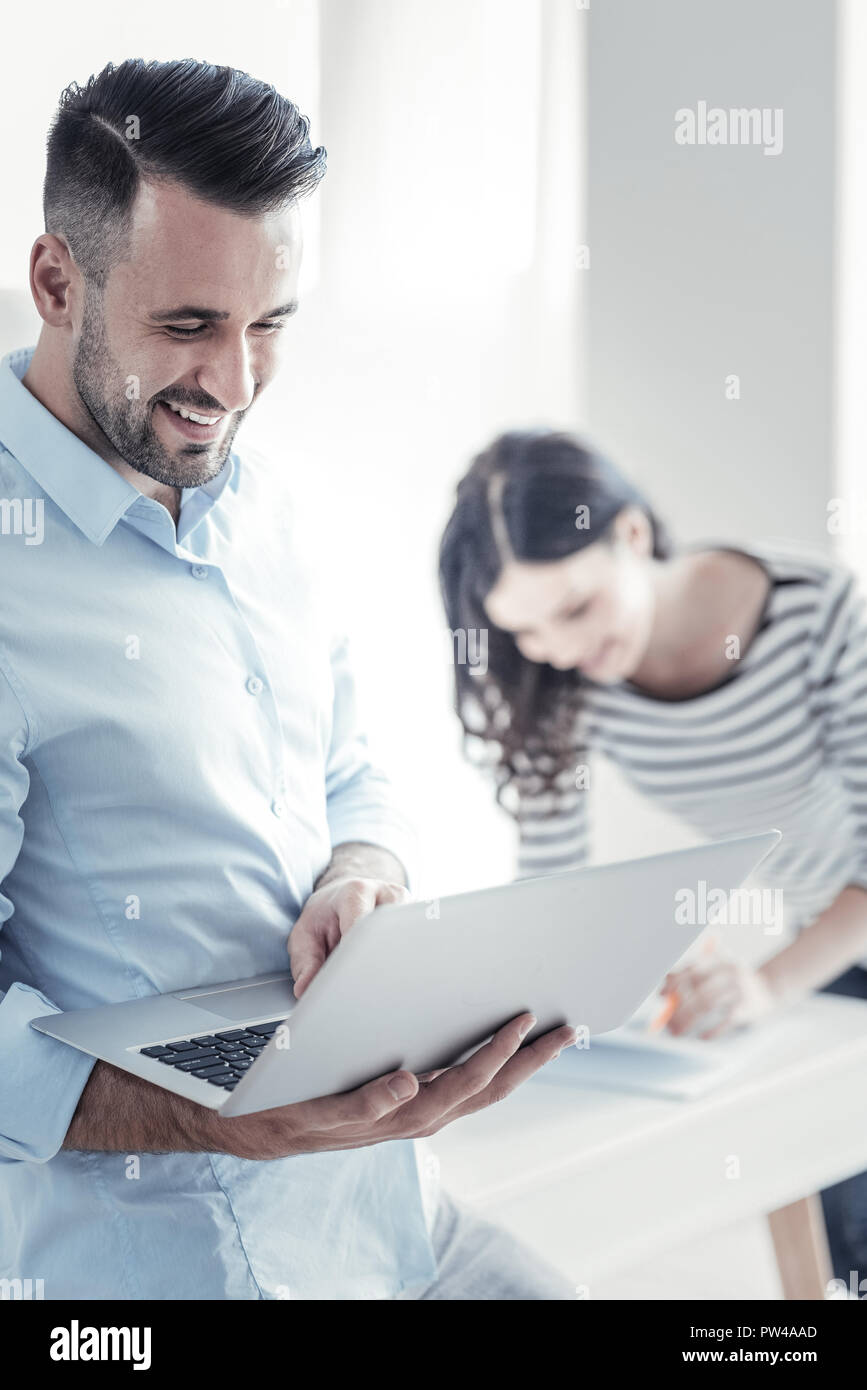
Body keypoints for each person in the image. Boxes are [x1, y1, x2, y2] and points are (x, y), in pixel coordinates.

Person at [0, 60, 578, 1302]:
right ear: (58, 280)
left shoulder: (262, 510)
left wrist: (360, 874)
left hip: (398, 1226)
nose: (238, 385)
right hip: (172, 1268)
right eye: (189, 326)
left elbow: (353, 771)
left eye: (271, 325)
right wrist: (216, 1118)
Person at [439, 427, 867, 1284]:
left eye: (575, 608)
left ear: (631, 534)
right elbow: (554, 884)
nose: (555, 650)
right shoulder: (560, 680)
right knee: (843, 1233)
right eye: (522, 630)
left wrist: (769, 983)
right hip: (834, 949)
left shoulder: (817, 613)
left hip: (834, 934)